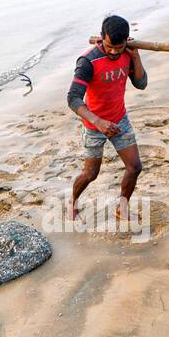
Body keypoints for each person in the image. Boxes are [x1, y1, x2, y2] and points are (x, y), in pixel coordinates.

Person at [67, 14, 147, 221]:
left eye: (118, 48)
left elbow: (141, 84)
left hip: (120, 120)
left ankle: (122, 208)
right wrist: (99, 122)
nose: (113, 52)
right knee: (90, 174)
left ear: (126, 42)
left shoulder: (128, 54)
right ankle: (73, 201)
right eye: (109, 46)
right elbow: (73, 98)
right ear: (102, 37)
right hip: (94, 124)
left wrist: (135, 56)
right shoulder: (88, 61)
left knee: (135, 167)